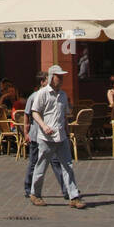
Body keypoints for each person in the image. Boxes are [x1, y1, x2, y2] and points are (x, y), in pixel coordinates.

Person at [29, 65, 85, 208]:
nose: (61, 79)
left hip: (61, 137)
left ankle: (74, 196)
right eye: (58, 76)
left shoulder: (63, 95)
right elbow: (34, 112)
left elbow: (64, 115)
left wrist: (67, 130)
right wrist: (43, 126)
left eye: (62, 77)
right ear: (51, 77)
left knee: (68, 166)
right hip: (46, 138)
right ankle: (35, 194)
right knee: (41, 167)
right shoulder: (42, 93)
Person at [22, 71, 66, 200]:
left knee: (56, 162)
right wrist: (26, 132)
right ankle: (28, 188)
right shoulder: (34, 96)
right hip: (36, 135)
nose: (50, 81)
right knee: (34, 162)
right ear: (42, 82)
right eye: (48, 79)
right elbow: (27, 114)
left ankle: (66, 188)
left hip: (52, 136)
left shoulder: (57, 94)